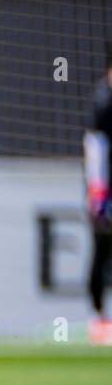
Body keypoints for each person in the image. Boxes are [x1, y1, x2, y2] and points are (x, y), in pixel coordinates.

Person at [83, 46, 112, 345]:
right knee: (101, 249)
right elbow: (95, 150)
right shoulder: (103, 102)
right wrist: (98, 193)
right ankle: (98, 316)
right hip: (104, 193)